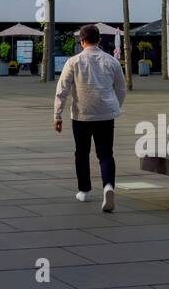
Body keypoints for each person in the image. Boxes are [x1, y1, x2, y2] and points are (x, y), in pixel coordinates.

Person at [54, 22, 126, 212]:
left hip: (82, 115)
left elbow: (62, 90)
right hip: (106, 113)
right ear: (99, 40)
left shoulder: (73, 61)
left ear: (82, 41)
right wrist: (115, 106)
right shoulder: (111, 61)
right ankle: (108, 185)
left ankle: (84, 190)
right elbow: (121, 88)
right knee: (105, 153)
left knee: (82, 152)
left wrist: (57, 115)